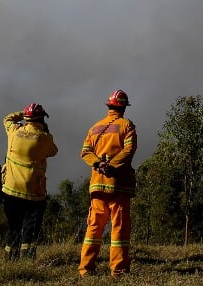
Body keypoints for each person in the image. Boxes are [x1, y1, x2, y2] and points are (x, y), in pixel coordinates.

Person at [78, 89, 138, 278]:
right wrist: (111, 165)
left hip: (97, 185)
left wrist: (98, 164)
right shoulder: (127, 126)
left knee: (94, 228)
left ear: (109, 106)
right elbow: (129, 150)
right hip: (118, 185)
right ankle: (118, 271)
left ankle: (86, 269)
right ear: (123, 108)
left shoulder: (94, 128)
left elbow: (85, 152)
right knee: (119, 228)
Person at [1, 103, 58, 261]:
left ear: (26, 119)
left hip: (10, 190)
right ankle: (27, 258)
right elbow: (53, 151)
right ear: (41, 118)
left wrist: (23, 113)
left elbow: (7, 118)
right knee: (30, 228)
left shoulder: (14, 131)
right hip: (33, 193)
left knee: (13, 226)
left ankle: (9, 258)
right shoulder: (44, 138)